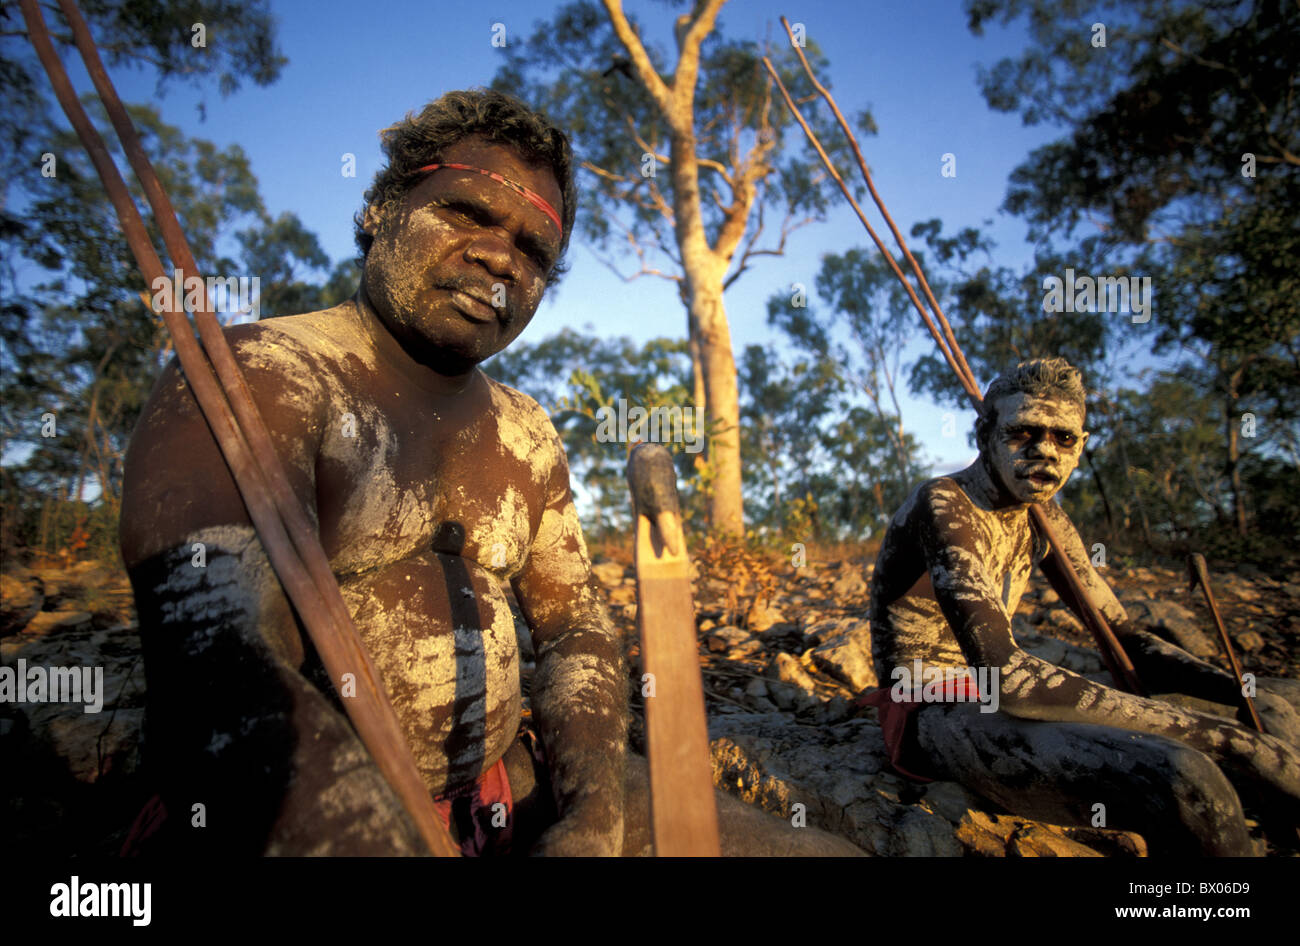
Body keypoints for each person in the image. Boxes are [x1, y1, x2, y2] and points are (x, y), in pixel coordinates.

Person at [119, 89, 860, 857]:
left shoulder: (526, 431)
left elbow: (574, 626)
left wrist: (595, 813)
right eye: (467, 212)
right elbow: (218, 673)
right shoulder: (261, 377)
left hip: (506, 790)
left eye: (534, 250)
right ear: (381, 209)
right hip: (288, 821)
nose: (500, 256)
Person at [862, 357, 1300, 855]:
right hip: (935, 708)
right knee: (1188, 779)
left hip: (1002, 693)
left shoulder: (1046, 517)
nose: (1044, 452)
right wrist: (1227, 739)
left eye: (1063, 439)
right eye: (1023, 433)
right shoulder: (945, 504)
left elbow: (1125, 638)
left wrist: (1235, 692)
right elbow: (1004, 679)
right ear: (985, 435)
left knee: (1279, 704)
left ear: (1082, 446)